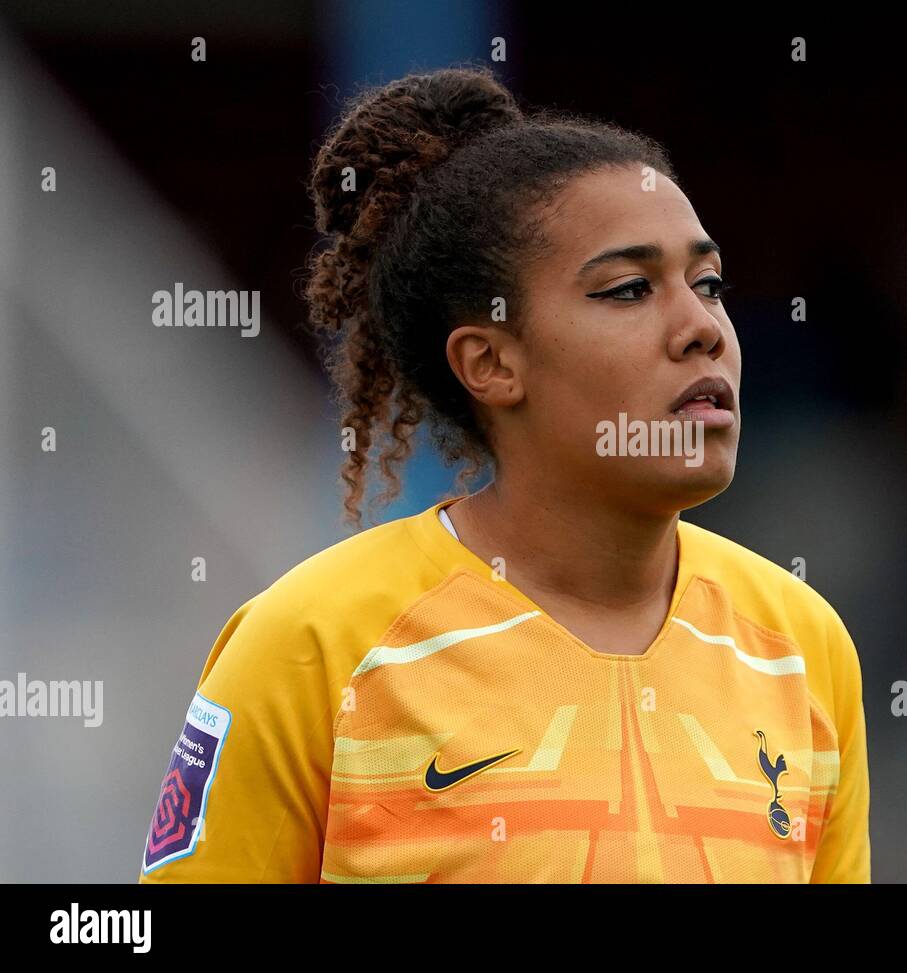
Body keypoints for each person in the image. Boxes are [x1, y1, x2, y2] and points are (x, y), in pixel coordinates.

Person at [138, 66, 869, 883]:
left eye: (708, 284)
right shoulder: (314, 644)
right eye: (629, 289)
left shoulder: (804, 647)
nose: (703, 328)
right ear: (490, 361)